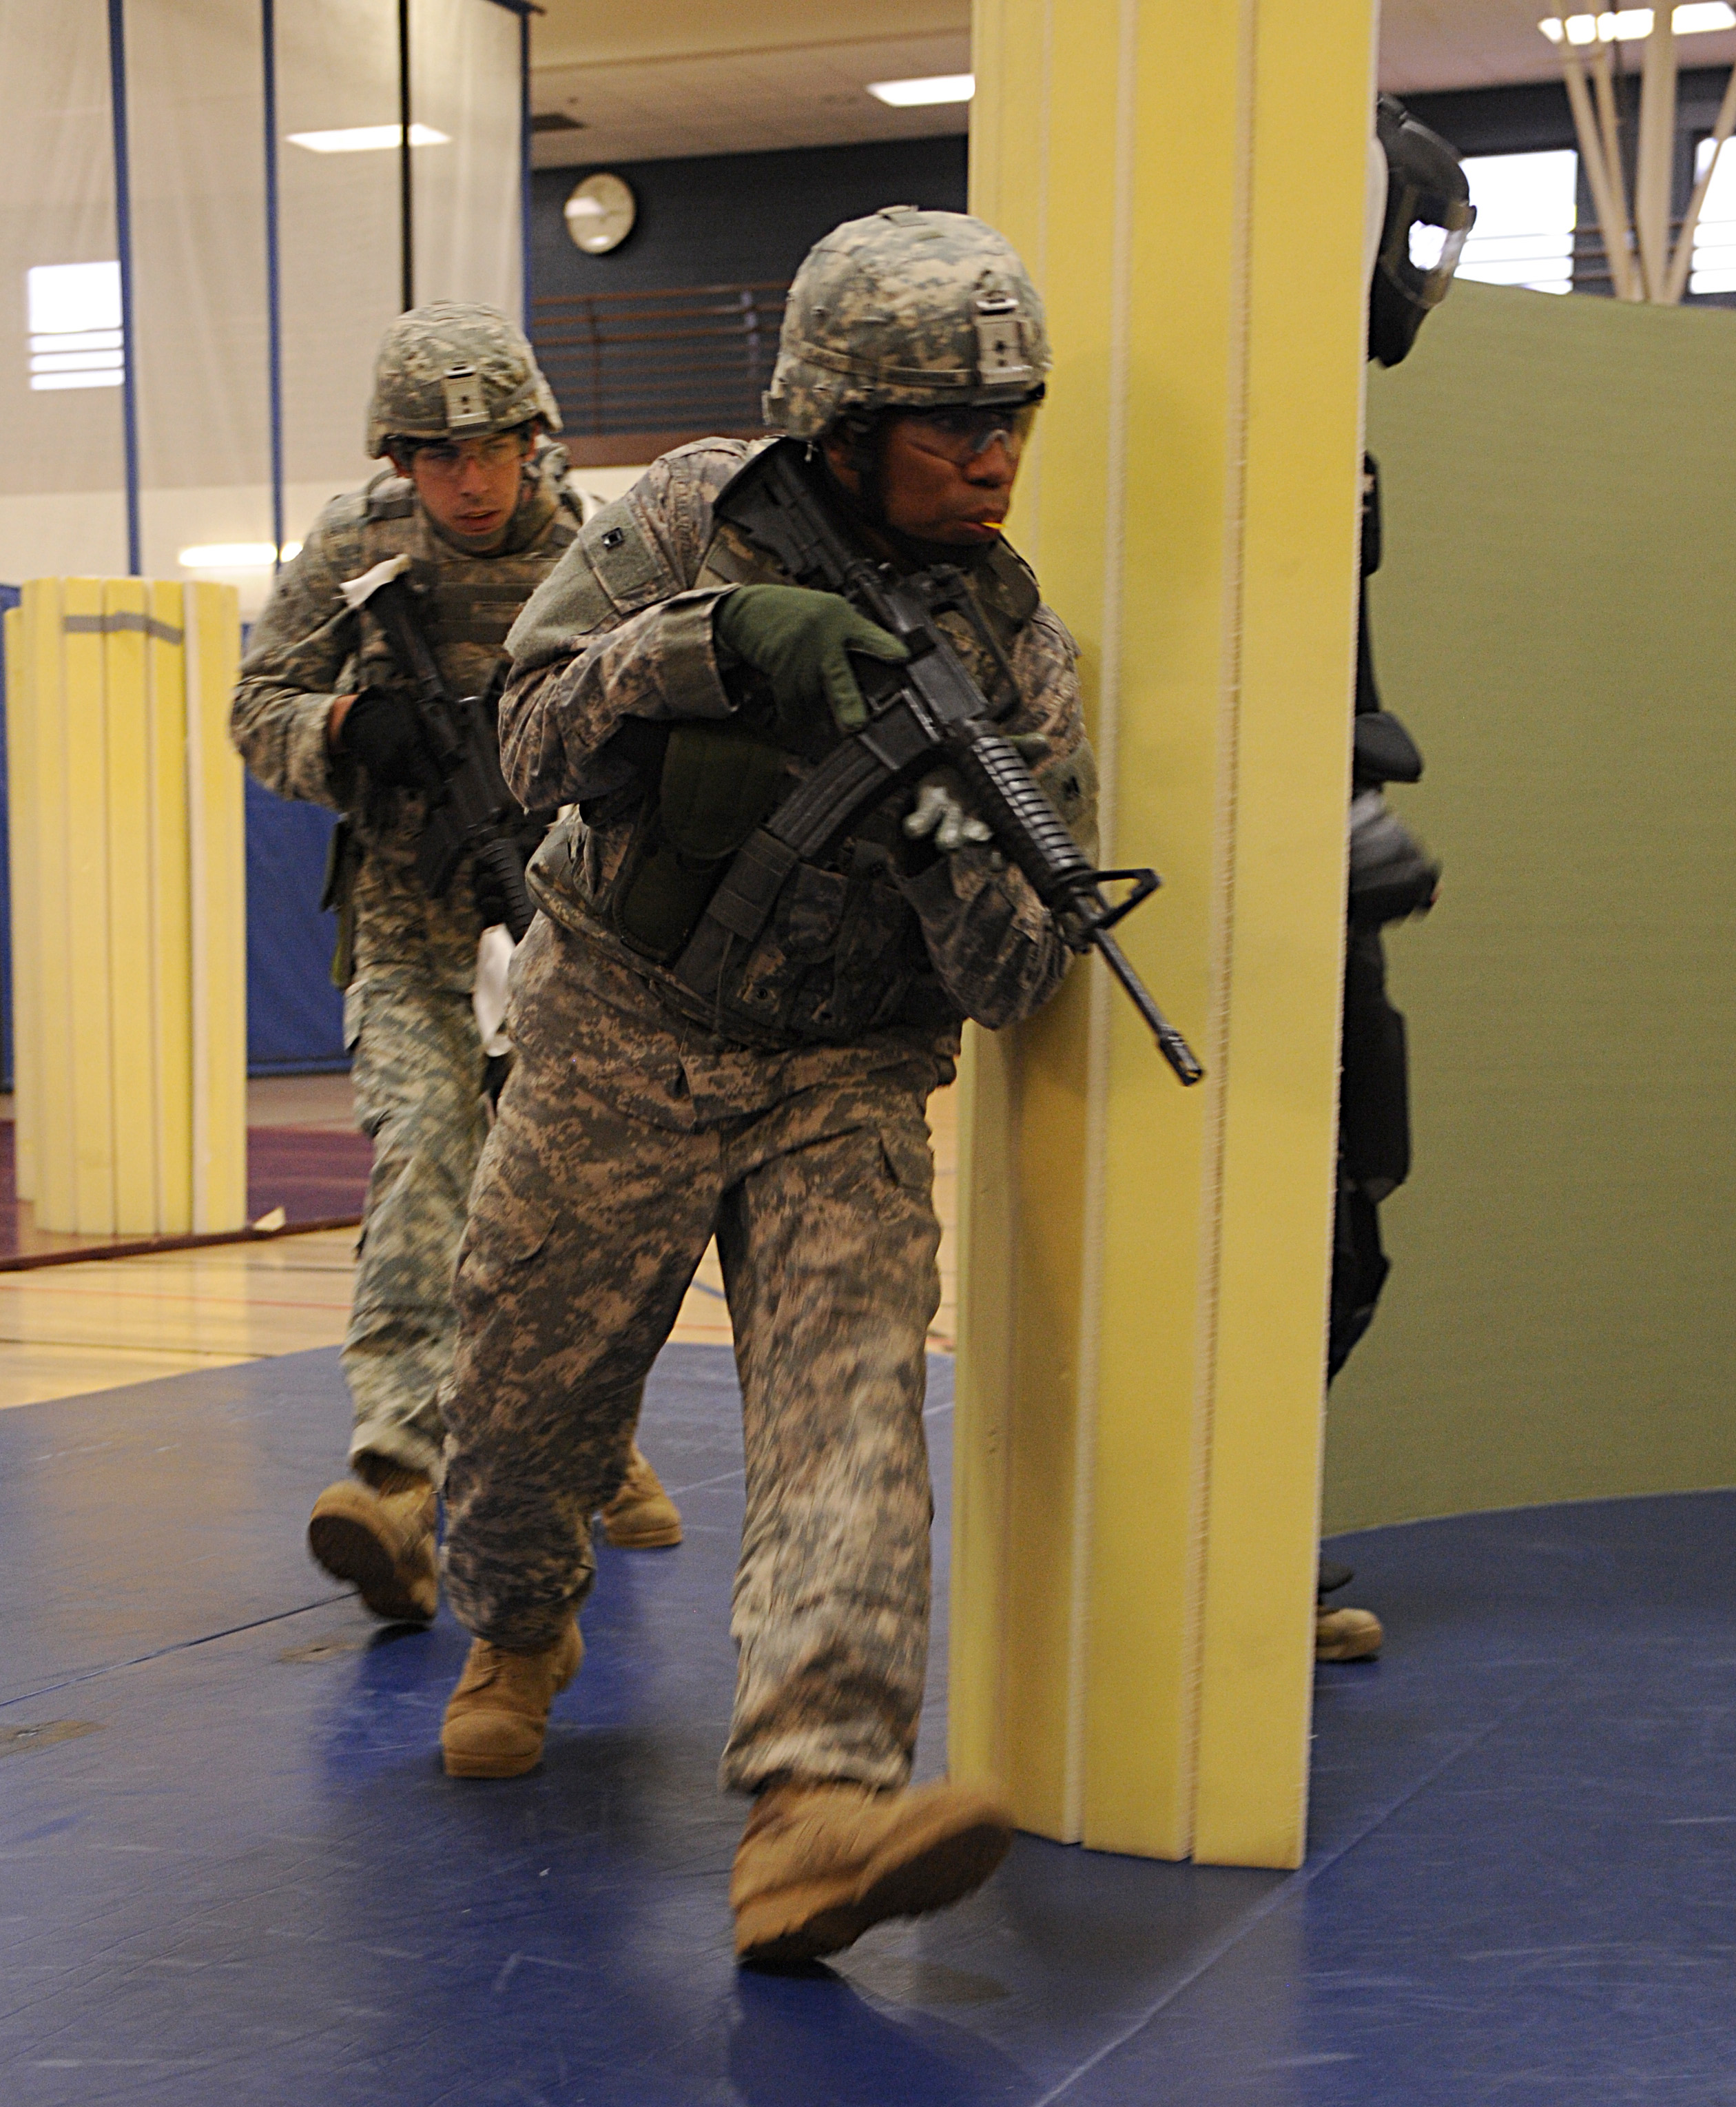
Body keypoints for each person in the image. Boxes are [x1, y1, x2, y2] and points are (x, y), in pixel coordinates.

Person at [431, 208, 1098, 1965]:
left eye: (1014, 412)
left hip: (847, 1073)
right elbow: (521, 743)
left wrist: (938, 811)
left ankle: (818, 1805)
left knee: (855, 1417)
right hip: (617, 1027)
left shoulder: (1013, 651)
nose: (993, 449)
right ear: (841, 419)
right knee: (519, 1399)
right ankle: (517, 1620)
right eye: (953, 420)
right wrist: (713, 646)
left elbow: (1018, 968)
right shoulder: (680, 520)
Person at [231, 302, 683, 1630]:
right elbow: (257, 706)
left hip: (579, 932)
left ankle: (598, 1439)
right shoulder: (356, 548)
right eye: (436, 455)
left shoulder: (605, 553)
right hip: (413, 934)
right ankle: (393, 1472)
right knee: (427, 1149)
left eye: (491, 449)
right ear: (399, 459)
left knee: (583, 1216)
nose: (469, 480)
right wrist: (347, 729)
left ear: (537, 441)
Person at [1316, 98, 1471, 1661]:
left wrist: (1351, 803)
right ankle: (1213, 1560)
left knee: (1349, 1240)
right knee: (1287, 1245)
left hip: (1333, 898)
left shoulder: (1327, 429)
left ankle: (1248, 1538)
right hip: (1234, 919)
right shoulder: (1257, 425)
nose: (1415, 276)